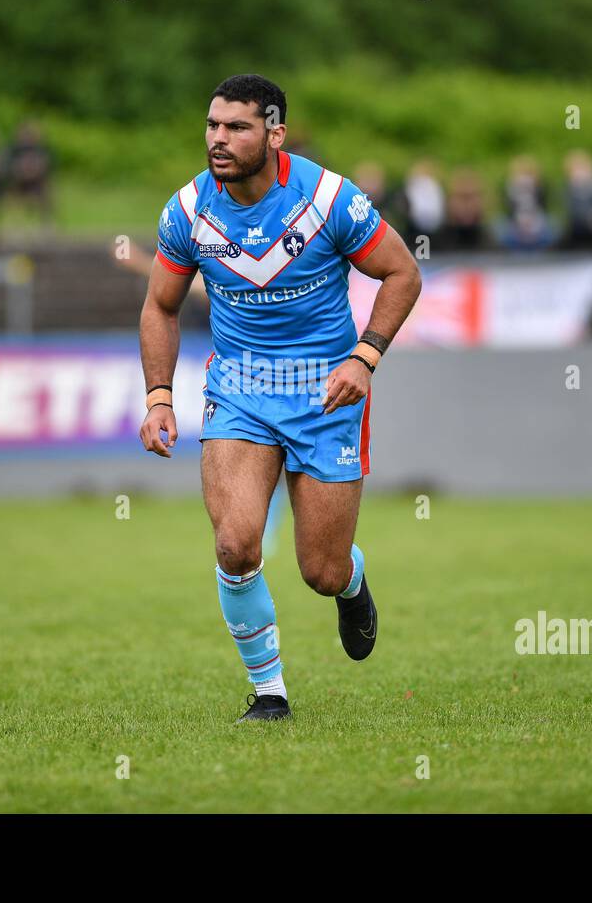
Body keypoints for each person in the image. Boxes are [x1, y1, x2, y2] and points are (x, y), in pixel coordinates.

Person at [138, 74, 422, 722]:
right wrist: (158, 397)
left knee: (318, 569)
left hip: (326, 392)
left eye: (236, 127)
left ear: (274, 133)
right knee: (236, 545)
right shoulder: (187, 211)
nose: (218, 139)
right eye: (212, 125)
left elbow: (402, 273)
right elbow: (159, 306)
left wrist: (365, 357)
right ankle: (270, 695)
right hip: (239, 391)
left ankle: (350, 582)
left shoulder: (328, 199)